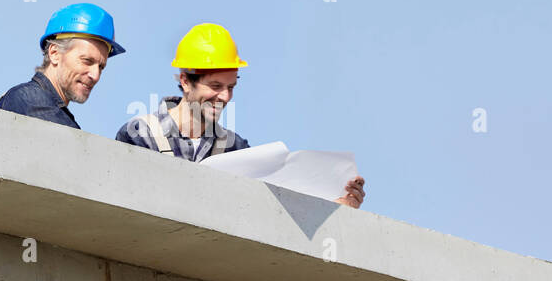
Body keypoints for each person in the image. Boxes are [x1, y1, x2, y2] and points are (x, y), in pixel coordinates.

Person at [116, 23, 365, 208]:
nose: (225, 97)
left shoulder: (235, 148)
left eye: (231, 87)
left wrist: (337, 207)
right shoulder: (141, 135)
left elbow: (271, 210)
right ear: (185, 81)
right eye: (215, 86)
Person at [0, 3, 125, 129]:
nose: (95, 75)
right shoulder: (29, 100)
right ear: (54, 53)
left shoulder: (59, 115)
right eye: (87, 61)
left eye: (101, 67)